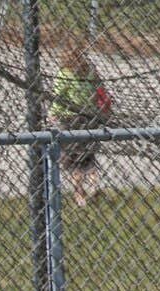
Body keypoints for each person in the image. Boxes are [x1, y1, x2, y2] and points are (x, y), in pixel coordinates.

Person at [51, 45, 110, 206]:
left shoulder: (65, 74)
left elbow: (58, 96)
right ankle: (93, 184)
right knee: (88, 155)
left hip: (70, 119)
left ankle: (79, 194)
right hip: (90, 118)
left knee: (73, 158)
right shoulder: (90, 71)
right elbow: (101, 91)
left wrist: (54, 114)